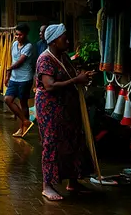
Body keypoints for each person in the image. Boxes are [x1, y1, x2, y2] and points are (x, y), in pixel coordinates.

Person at [35, 23, 95, 201]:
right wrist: (77, 80)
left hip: (67, 108)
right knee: (52, 143)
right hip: (51, 109)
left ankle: (73, 181)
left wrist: (83, 77)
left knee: (73, 141)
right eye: (64, 38)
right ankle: (48, 185)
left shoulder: (63, 57)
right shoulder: (45, 59)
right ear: (54, 41)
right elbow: (50, 85)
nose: (67, 41)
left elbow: (70, 75)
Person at [4, 22, 34, 137]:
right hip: (14, 78)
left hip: (25, 78)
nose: (17, 37)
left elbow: (19, 62)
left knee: (23, 103)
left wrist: (8, 69)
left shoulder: (29, 46)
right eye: (16, 35)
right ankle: (25, 121)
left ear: (25, 34)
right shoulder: (14, 44)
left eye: (20, 35)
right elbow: (12, 60)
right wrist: (8, 76)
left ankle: (23, 128)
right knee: (8, 99)